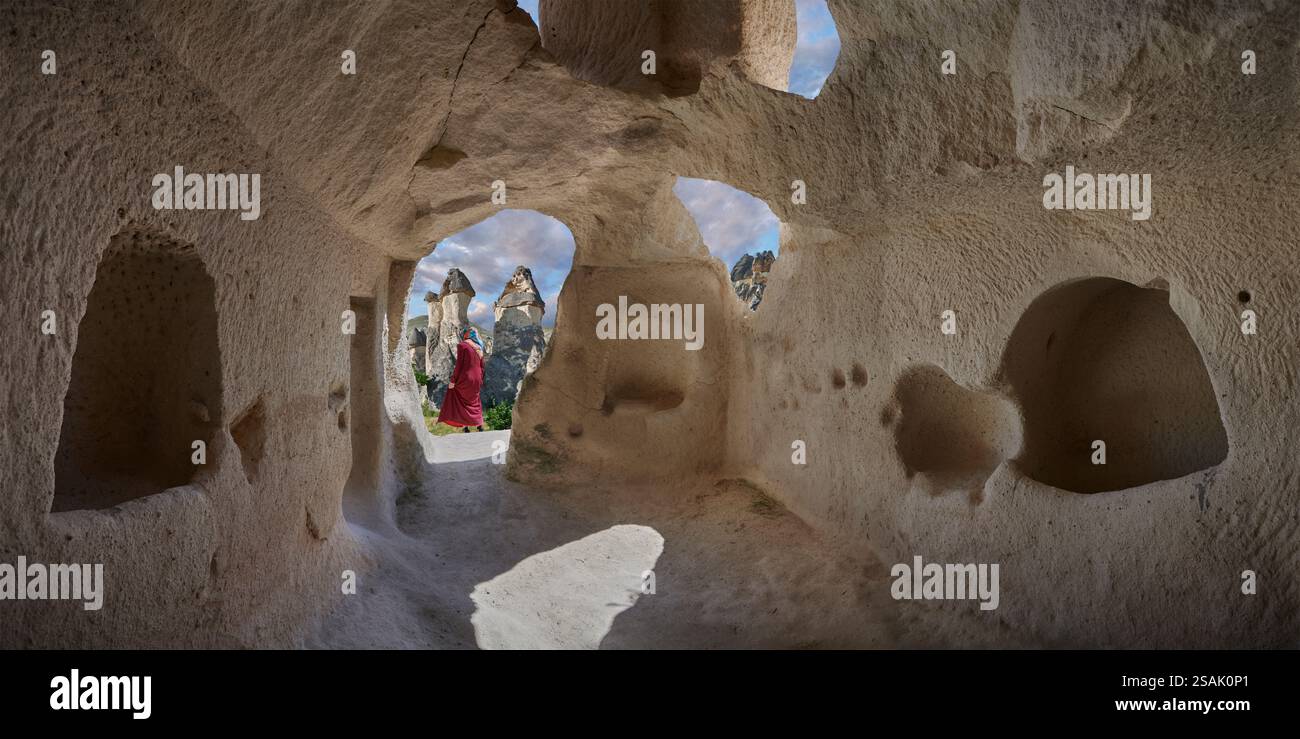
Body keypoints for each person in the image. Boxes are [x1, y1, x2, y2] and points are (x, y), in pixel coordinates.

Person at [437, 327, 485, 432]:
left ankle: (465, 426)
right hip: (477, 377)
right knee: (475, 400)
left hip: (466, 377)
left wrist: (453, 381)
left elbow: (459, 365)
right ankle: (479, 424)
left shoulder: (462, 346)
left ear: (465, 335)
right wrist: (481, 378)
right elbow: (482, 365)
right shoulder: (479, 347)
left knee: (461, 400)